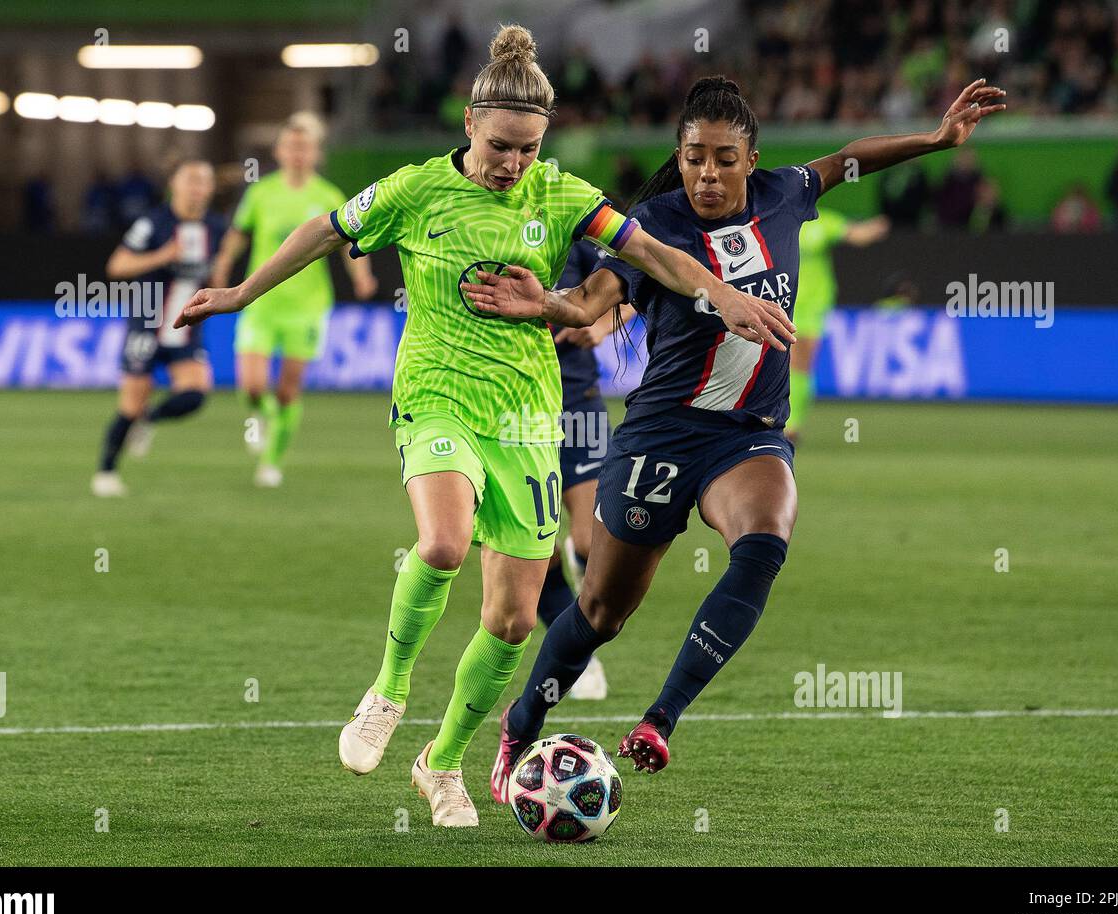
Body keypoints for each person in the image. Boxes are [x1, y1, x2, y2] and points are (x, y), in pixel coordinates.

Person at [176, 28, 794, 827]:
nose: (514, 163)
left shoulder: (561, 195)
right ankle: (389, 690)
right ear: (470, 124)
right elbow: (325, 231)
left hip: (529, 419)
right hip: (437, 397)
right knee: (440, 543)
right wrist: (240, 294)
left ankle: (442, 766)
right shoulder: (413, 191)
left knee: (509, 620)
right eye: (502, 146)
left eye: (530, 149)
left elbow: (651, 253)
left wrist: (723, 294)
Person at [472, 75, 1005, 791]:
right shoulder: (654, 223)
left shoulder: (787, 195)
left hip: (746, 435)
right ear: (679, 155)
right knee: (601, 612)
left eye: (724, 158)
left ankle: (659, 719)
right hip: (661, 435)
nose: (707, 174)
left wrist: (935, 139)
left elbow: (851, 158)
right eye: (694, 157)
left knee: (763, 544)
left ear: (752, 160)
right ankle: (519, 728)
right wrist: (546, 305)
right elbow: (591, 302)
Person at [211, 112, 378, 488]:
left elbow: (349, 242)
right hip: (262, 304)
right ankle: (261, 417)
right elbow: (239, 234)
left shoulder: (328, 195)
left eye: (306, 148)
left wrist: (362, 275)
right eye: (292, 146)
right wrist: (223, 263)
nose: (298, 154)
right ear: (280, 151)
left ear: (315, 154)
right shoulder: (261, 192)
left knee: (287, 391)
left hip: (307, 307)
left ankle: (271, 462)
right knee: (253, 387)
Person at [92, 159, 224, 498]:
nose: (197, 187)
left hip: (186, 326)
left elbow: (220, 270)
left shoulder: (217, 227)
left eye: (204, 181)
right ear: (174, 185)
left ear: (211, 189)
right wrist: (162, 256)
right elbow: (117, 265)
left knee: (195, 395)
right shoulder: (153, 223)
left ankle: (149, 419)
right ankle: (105, 472)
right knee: (129, 404)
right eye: (190, 180)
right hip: (147, 322)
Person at [536, 240, 632, 701]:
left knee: (594, 541)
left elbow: (636, 284)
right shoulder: (475, 228)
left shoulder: (571, 228)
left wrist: (603, 324)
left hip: (578, 403)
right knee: (531, 556)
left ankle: (583, 622)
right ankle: (580, 659)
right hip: (505, 410)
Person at [785, 209, 889, 440]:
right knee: (788, 364)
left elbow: (856, 235)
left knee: (801, 364)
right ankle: (786, 423)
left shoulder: (821, 222)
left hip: (813, 304)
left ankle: (792, 424)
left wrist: (878, 225)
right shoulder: (779, 220)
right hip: (783, 301)